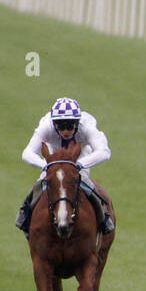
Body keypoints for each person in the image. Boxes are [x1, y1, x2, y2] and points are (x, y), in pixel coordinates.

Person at [16, 97, 115, 237]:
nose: (66, 130)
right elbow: (27, 153)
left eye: (70, 125)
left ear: (77, 123)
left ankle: (103, 217)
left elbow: (104, 151)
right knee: (41, 183)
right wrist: (46, 165)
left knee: (83, 181)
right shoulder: (46, 126)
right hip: (53, 155)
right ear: (54, 123)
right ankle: (25, 216)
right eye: (61, 126)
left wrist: (80, 164)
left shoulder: (86, 126)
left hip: (79, 156)